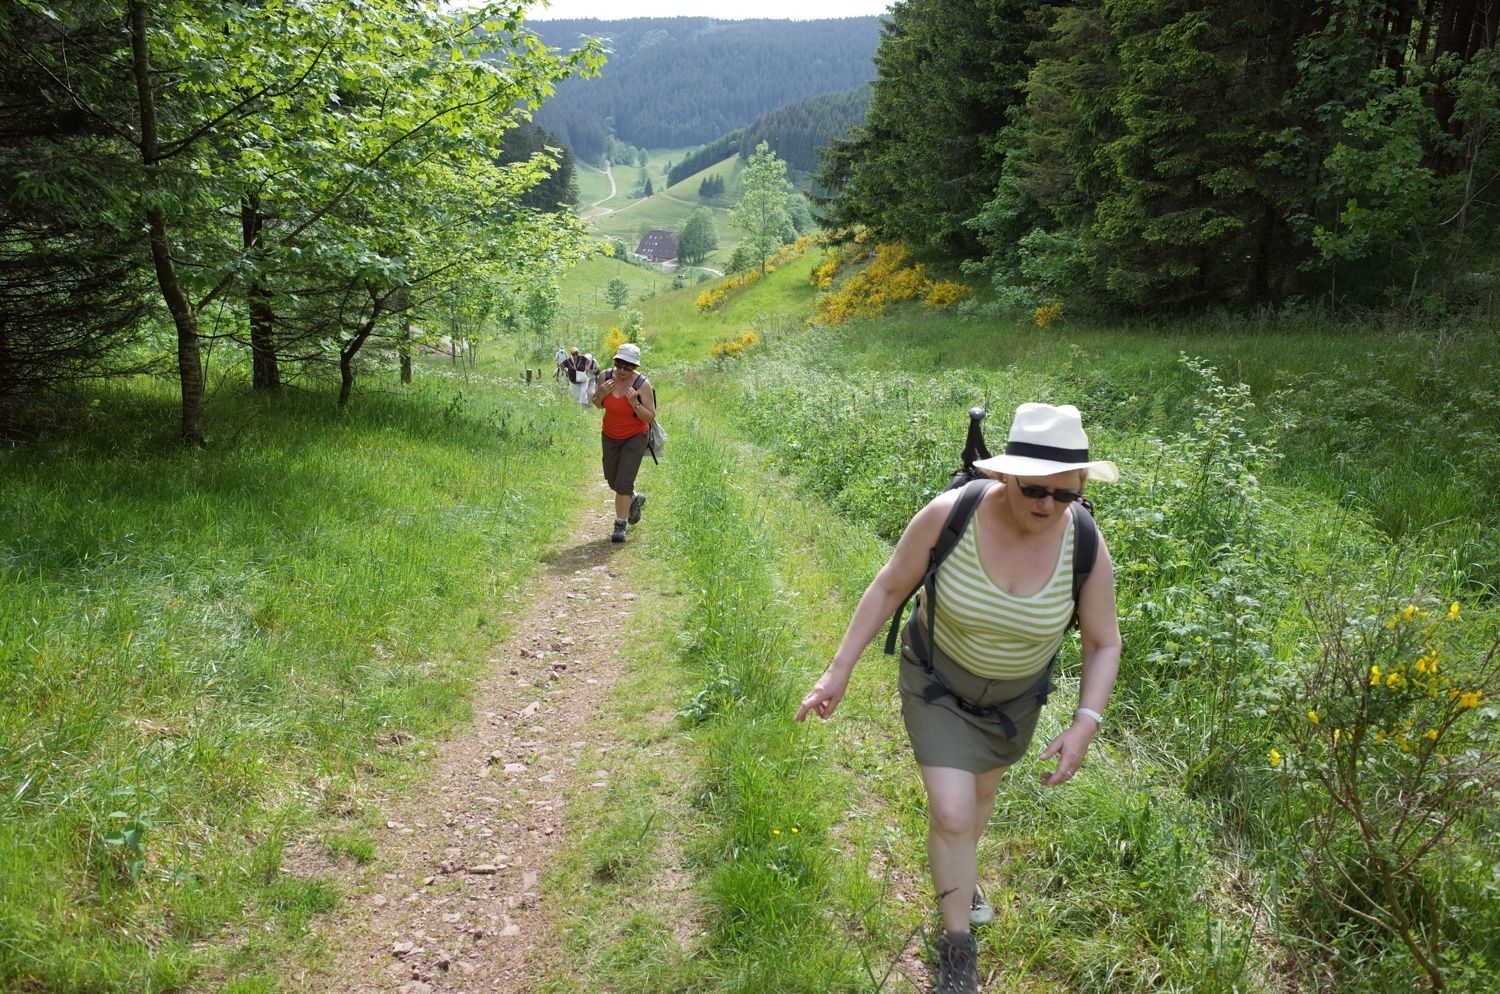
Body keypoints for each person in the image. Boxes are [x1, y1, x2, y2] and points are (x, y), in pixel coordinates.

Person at [795, 403, 1123, 994]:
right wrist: (837, 670)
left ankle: (960, 871)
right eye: (1033, 489)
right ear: (1003, 476)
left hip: (1016, 701)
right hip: (938, 683)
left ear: (1079, 489)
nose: (1047, 504)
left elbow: (1104, 642)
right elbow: (890, 586)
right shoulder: (952, 516)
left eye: (1063, 494)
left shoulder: (1087, 546)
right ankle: (957, 949)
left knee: (979, 797)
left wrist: (1086, 722)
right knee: (951, 811)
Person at [591, 342, 655, 543]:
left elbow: (649, 417)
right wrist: (601, 394)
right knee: (612, 480)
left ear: (635, 367)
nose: (622, 371)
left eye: (628, 367)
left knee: (623, 482)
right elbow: (596, 403)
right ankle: (634, 498)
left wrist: (634, 403)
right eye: (619, 365)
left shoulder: (642, 385)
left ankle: (620, 525)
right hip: (610, 435)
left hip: (635, 437)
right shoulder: (605, 376)